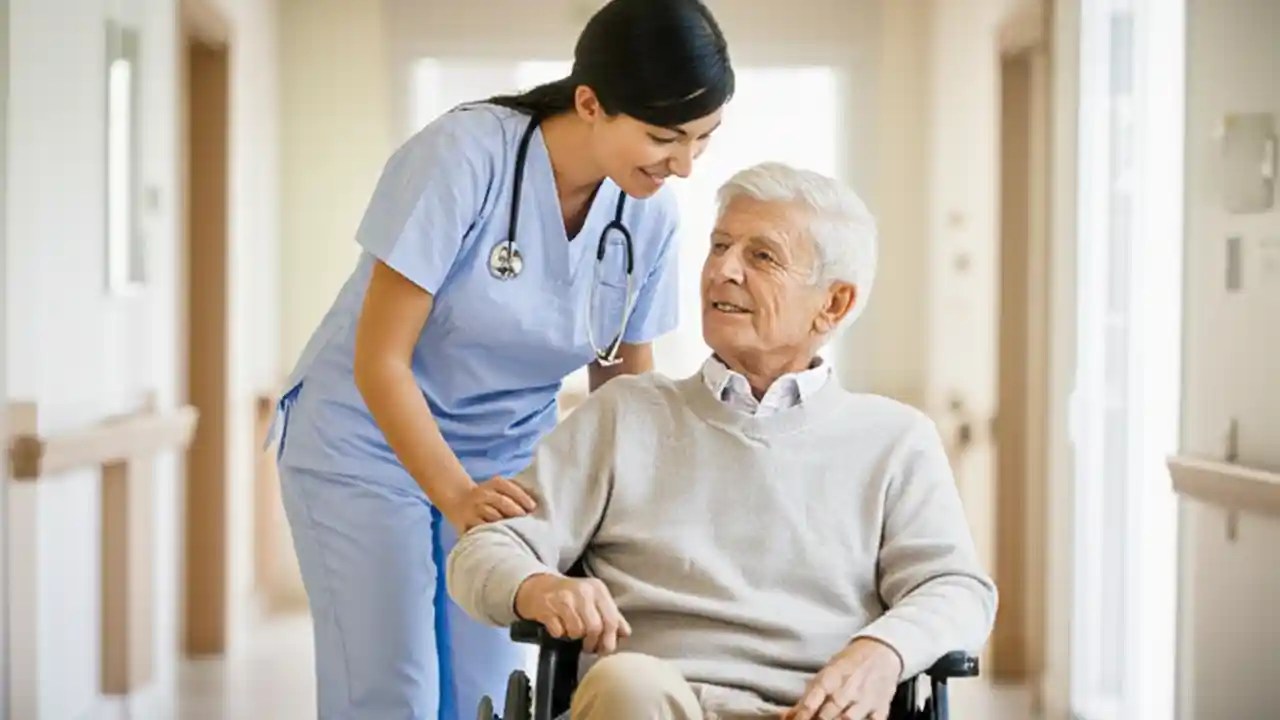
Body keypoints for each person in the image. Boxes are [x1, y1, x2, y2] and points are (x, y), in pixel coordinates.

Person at [268, 1, 734, 718]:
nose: (683, 165)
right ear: (590, 103)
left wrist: (628, 518)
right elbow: (380, 360)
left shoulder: (650, 214)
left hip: (506, 458)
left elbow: (622, 389)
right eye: (663, 137)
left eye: (702, 139)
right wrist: (456, 496)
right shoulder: (463, 156)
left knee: (485, 692)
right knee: (393, 691)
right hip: (364, 442)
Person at [447, 162, 998, 720]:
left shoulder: (894, 440)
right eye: (719, 246)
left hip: (812, 708)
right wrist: (538, 586)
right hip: (650, 702)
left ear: (833, 303)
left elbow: (957, 588)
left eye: (762, 256)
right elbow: (484, 549)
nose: (723, 271)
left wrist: (884, 651)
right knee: (628, 683)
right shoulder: (624, 415)